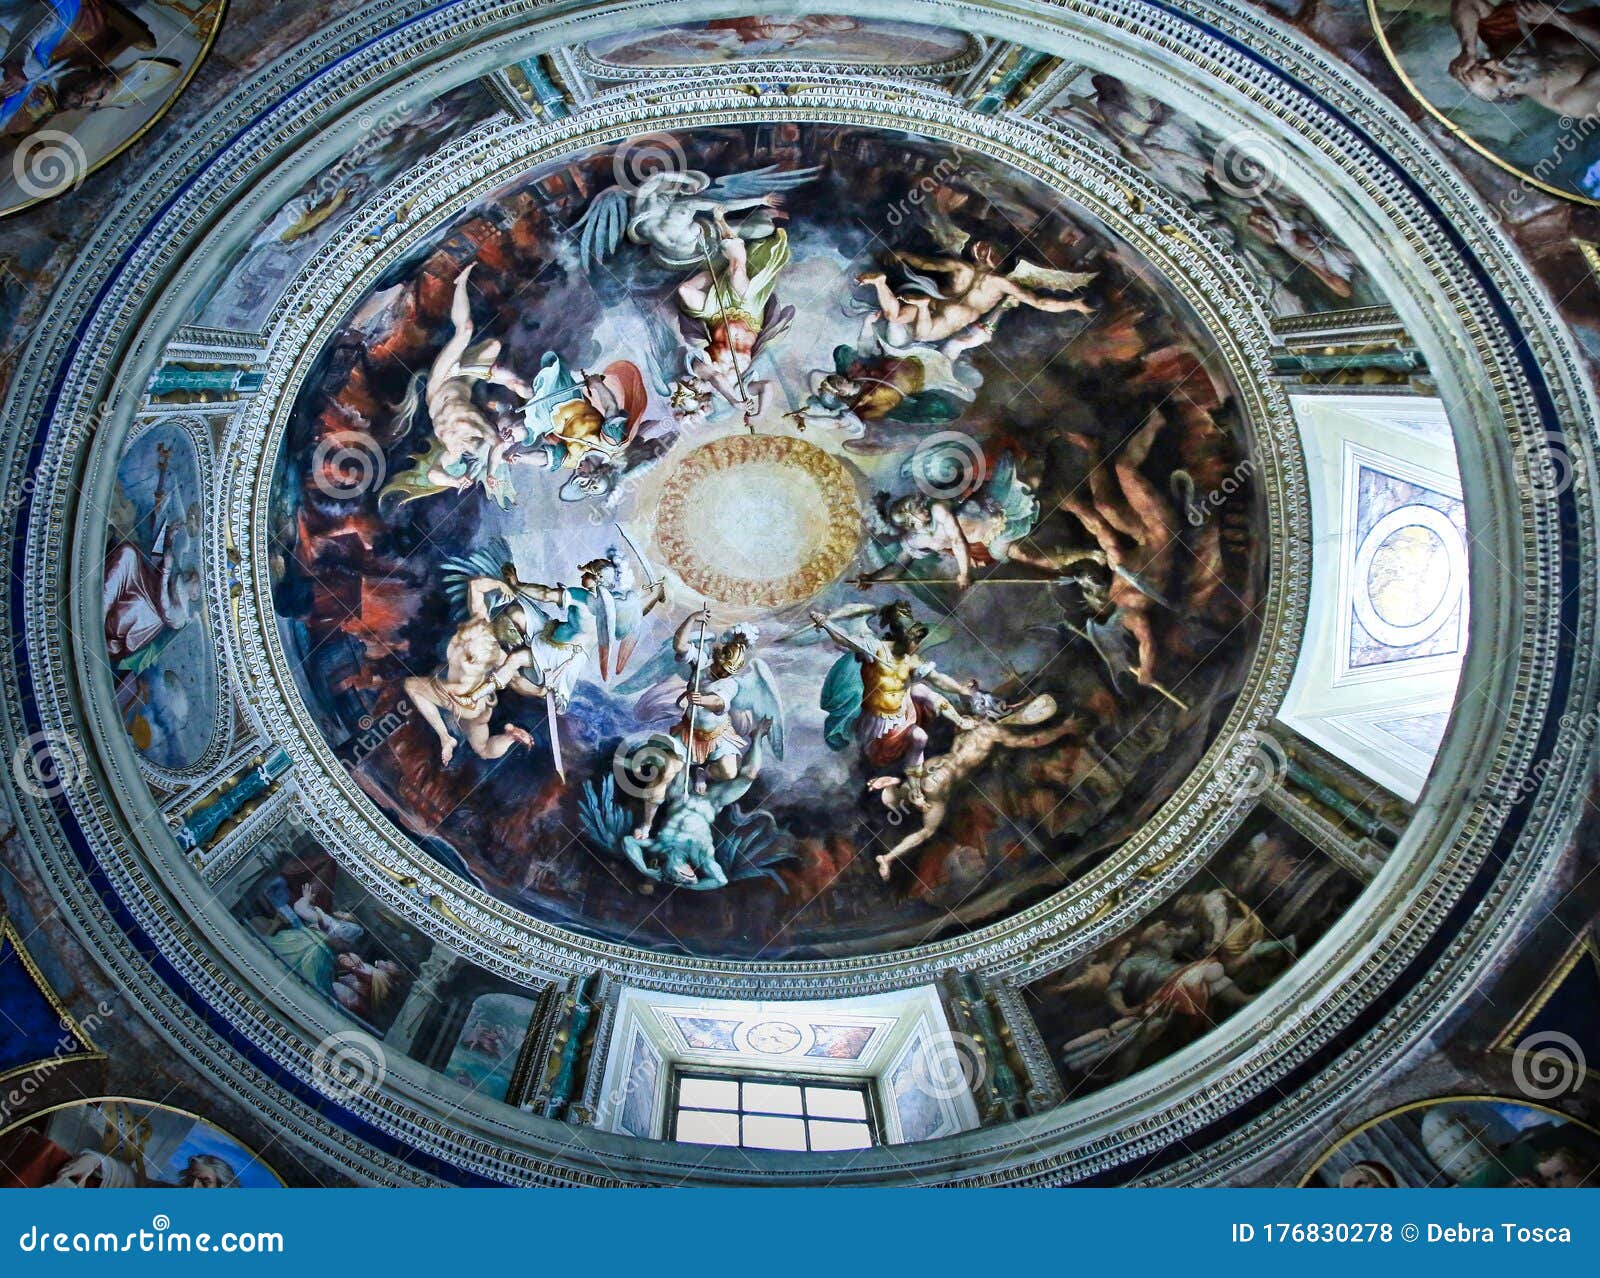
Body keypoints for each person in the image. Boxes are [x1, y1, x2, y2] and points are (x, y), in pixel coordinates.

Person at [812, 600, 976, 801]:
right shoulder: (876, 649)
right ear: (902, 638)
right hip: (877, 723)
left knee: (922, 690)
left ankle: (960, 722)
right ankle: (915, 790)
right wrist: (826, 623)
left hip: (903, 713)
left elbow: (938, 679)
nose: (917, 645)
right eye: (914, 640)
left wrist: (960, 689)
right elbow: (845, 640)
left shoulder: (911, 660)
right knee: (920, 737)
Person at [856, 240, 1095, 362]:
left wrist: (1072, 304)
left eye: (992, 252)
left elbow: (1040, 302)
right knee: (899, 320)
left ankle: (885, 286)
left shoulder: (994, 280)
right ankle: (881, 283)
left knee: (902, 321)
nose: (985, 252)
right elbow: (926, 263)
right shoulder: (966, 269)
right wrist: (904, 255)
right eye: (984, 248)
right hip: (941, 311)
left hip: (940, 311)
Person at [1449, 0, 1600, 117]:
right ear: (1509, 92)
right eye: (1492, 74)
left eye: (1482, 62)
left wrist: (1468, 49)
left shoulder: (1507, 47)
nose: (1494, 61)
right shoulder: (1570, 100)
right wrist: (1557, 19)